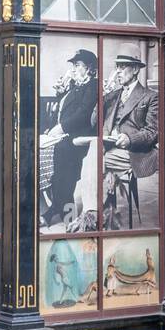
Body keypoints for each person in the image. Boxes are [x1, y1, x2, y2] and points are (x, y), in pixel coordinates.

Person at [41, 48, 99, 228]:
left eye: (77, 65)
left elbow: (83, 115)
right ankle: (60, 207)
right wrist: (61, 93)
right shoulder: (75, 86)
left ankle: (59, 209)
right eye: (72, 65)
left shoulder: (93, 86)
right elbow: (63, 110)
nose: (73, 69)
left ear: (89, 68)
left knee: (62, 150)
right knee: (43, 150)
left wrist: (60, 128)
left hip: (82, 137)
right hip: (67, 135)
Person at [101, 44, 159, 223]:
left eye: (122, 67)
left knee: (94, 160)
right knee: (93, 155)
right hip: (110, 147)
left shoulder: (150, 96)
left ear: (134, 69)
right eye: (117, 67)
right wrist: (102, 95)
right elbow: (94, 121)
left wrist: (129, 139)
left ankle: (96, 213)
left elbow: (153, 132)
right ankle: (104, 211)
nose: (118, 71)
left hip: (136, 152)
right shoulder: (113, 94)